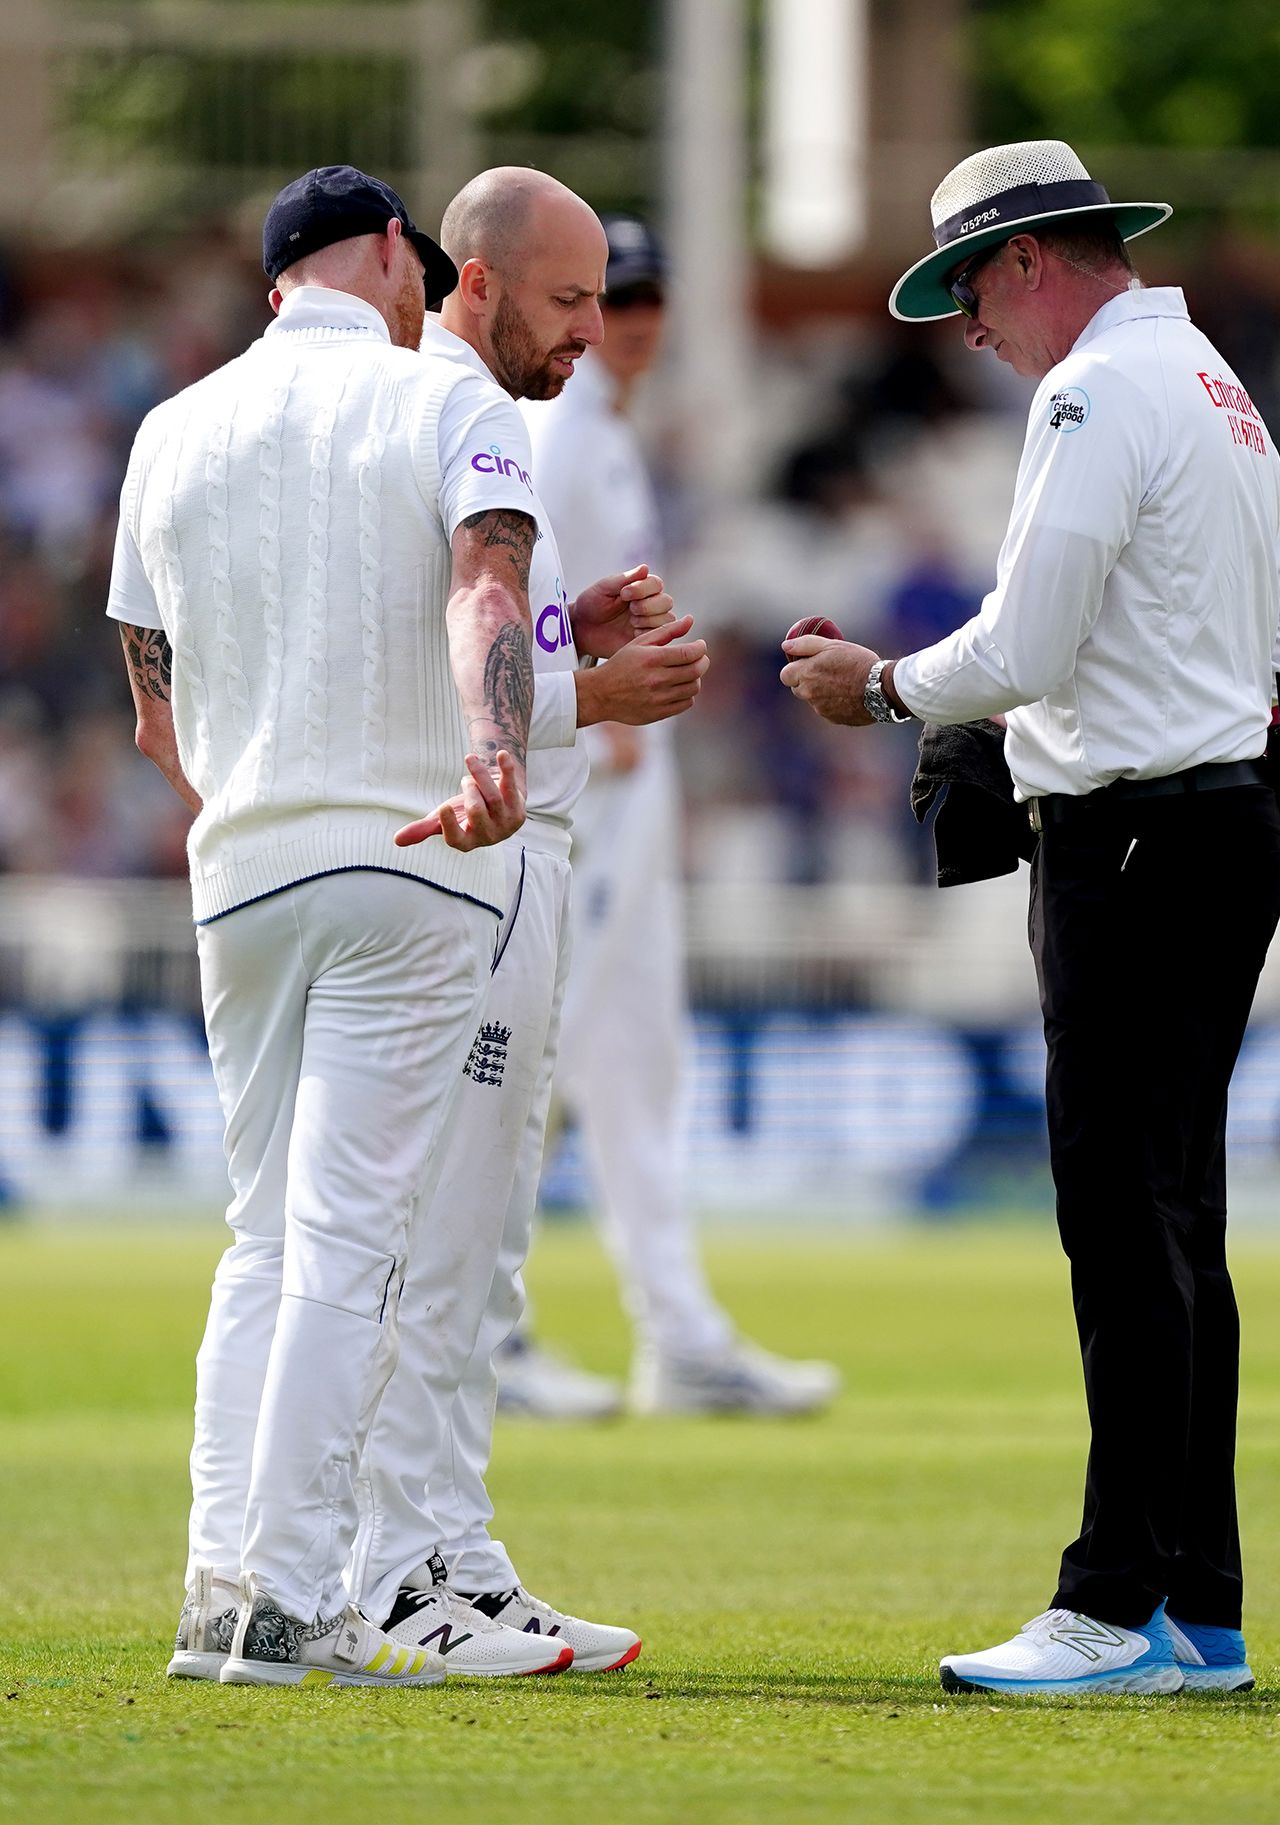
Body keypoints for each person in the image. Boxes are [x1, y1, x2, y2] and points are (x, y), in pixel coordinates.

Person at [781, 140, 1280, 1697]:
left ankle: (1117, 1601)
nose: (969, 334)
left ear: (1023, 262)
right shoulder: (1211, 380)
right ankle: (1198, 1607)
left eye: (967, 294)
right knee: (1177, 1224)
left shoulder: (1093, 395)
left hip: (1136, 849)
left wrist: (879, 689)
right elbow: (1265, 643)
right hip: (1215, 823)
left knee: (1121, 1227)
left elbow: (1030, 635)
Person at [109, 166, 559, 1686]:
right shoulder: (440, 403)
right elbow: (486, 580)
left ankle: (217, 1586)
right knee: (350, 1243)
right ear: (383, 257)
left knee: (258, 1240)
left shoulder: (170, 429)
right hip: (410, 852)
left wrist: (244, 798)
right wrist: (493, 749)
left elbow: (150, 698)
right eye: (416, 269)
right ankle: (292, 1601)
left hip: (237, 867)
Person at [345, 171, 711, 1671]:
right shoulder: (461, 416)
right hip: (483, 849)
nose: (595, 333)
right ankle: (404, 1569)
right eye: (571, 302)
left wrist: (580, 637)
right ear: (474, 281)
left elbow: (492, 630)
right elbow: (425, 661)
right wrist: (597, 694)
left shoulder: (472, 414)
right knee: (447, 1234)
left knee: (480, 1236)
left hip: (515, 845)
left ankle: (448, 1554)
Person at [497, 214, 841, 1419]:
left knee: (638, 1062)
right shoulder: (553, 428)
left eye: (645, 298)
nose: (631, 322)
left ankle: (679, 1334)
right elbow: (510, 604)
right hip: (582, 774)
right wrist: (602, 730)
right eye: (611, 297)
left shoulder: (598, 429)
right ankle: (486, 1327)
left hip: (625, 781)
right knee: (537, 1060)